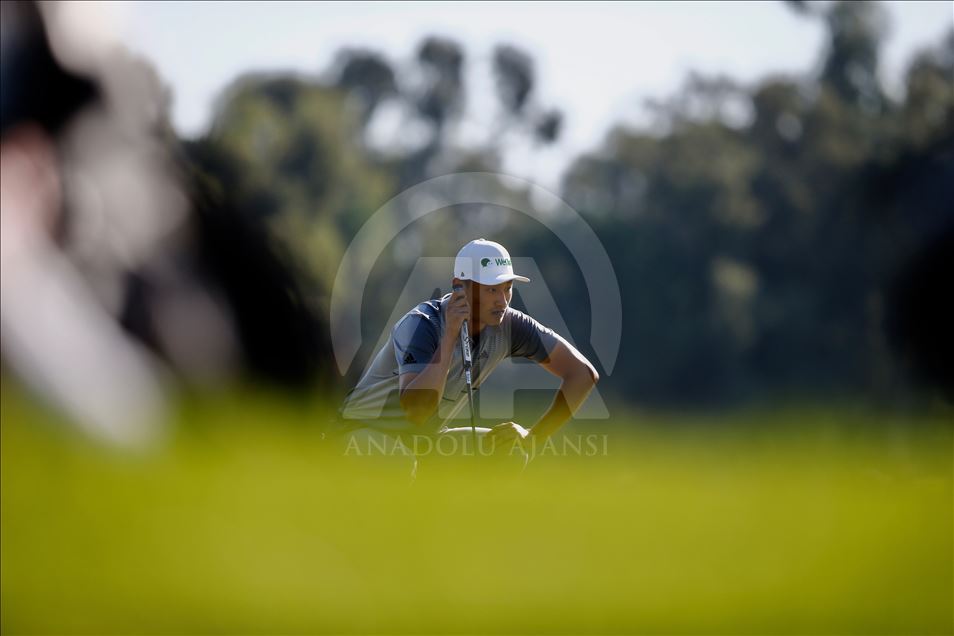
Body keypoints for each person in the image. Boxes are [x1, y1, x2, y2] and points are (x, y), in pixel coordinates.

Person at [337, 238, 599, 469]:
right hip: (361, 434)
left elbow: (583, 374)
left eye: (507, 287)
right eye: (491, 289)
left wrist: (533, 437)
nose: (502, 300)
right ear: (459, 287)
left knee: (509, 449)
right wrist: (450, 336)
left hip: (427, 442)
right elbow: (416, 411)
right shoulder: (422, 324)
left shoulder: (510, 324)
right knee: (400, 461)